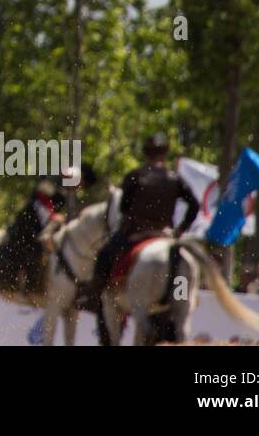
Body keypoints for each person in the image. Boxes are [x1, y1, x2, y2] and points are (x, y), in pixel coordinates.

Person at [83, 133, 200, 343]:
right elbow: (194, 205)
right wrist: (180, 231)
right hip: (169, 242)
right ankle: (179, 303)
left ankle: (93, 297)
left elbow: (124, 206)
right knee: (181, 311)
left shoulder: (135, 175)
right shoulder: (175, 178)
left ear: (146, 153)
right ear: (165, 153)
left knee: (103, 255)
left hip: (136, 234)